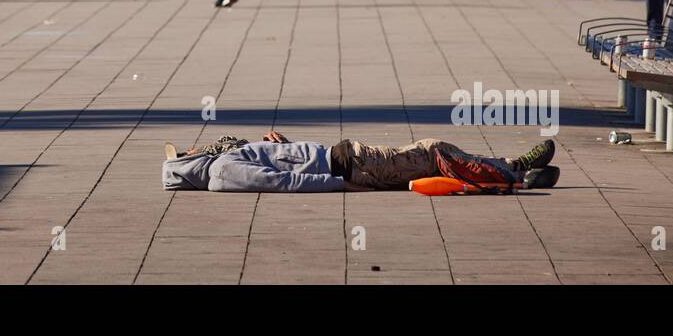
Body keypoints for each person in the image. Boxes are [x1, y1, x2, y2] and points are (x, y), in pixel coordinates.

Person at [162, 129, 559, 192]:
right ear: (187, 163)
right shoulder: (221, 169)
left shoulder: (224, 159)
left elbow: (280, 165)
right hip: (351, 165)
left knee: (432, 156)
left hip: (347, 157)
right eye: (188, 151)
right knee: (435, 152)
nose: (195, 146)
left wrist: (281, 144)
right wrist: (341, 185)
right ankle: (516, 172)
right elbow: (281, 182)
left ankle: (516, 169)